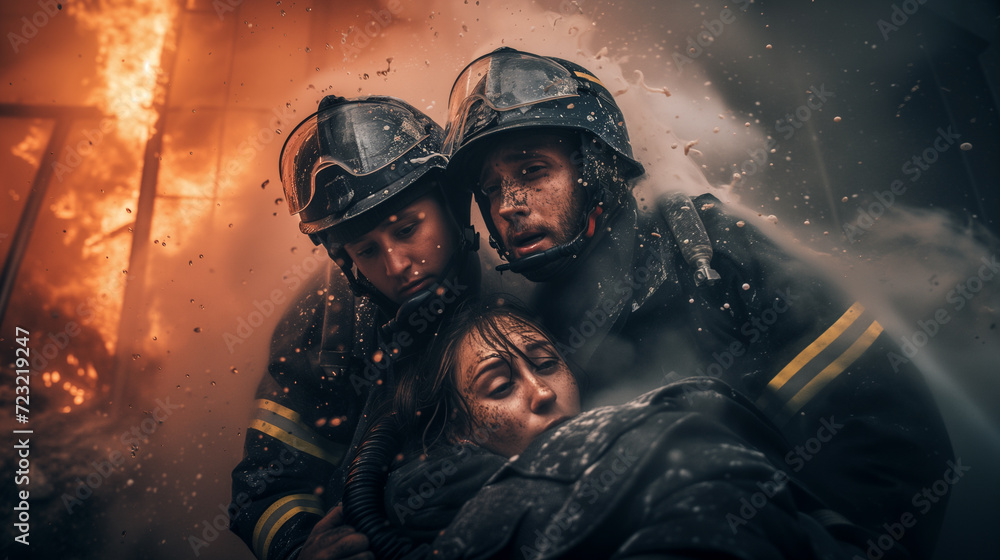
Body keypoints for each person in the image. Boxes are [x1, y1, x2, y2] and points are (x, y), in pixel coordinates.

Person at [442, 47, 953, 558]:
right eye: (491, 188)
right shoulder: (522, 326)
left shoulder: (715, 254)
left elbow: (892, 443)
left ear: (595, 166)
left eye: (531, 171)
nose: (509, 205)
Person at [346, 299, 895, 560]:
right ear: (459, 434)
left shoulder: (658, 441)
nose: (541, 392)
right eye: (498, 385)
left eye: (544, 362)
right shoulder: (423, 531)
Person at [229, 94, 482, 560]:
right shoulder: (328, 321)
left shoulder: (522, 263)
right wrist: (301, 548)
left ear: (452, 204)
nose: (398, 264)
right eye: (367, 251)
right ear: (344, 261)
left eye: (407, 229)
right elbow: (264, 487)